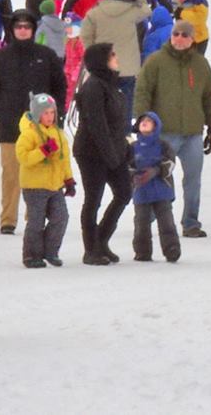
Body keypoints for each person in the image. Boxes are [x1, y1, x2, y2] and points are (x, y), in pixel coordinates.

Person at [0, 10, 68, 235]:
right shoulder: (1, 57)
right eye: (18, 26)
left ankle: (34, 216)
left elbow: (60, 86)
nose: (23, 30)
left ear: (33, 29)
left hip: (41, 125)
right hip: (9, 123)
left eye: (27, 26)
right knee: (11, 173)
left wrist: (59, 115)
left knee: (38, 171)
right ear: (12, 29)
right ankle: (8, 219)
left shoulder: (46, 56)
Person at [134, 23, 211, 238]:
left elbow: (209, 97)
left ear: (192, 39)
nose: (179, 38)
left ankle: (190, 222)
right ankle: (151, 216)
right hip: (164, 133)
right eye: (175, 34)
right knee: (160, 177)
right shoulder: (156, 61)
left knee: (193, 178)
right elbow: (143, 91)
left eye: (184, 35)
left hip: (192, 132)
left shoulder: (200, 64)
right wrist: (143, 122)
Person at [72, 42, 132, 264]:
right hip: (90, 153)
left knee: (124, 192)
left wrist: (124, 149)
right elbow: (97, 125)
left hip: (113, 151)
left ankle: (101, 239)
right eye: (112, 55)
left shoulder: (110, 83)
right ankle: (91, 250)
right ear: (101, 60)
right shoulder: (93, 87)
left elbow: (117, 123)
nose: (116, 57)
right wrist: (112, 156)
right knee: (93, 199)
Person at [15, 93, 73, 268]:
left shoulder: (59, 134)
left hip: (55, 184)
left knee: (61, 217)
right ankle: (31, 254)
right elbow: (23, 157)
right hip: (34, 186)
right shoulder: (29, 134)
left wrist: (68, 179)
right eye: (45, 113)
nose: (49, 117)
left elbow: (64, 159)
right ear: (36, 114)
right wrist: (43, 151)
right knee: (36, 221)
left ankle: (50, 250)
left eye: (52, 113)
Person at [80, 0, 151, 112]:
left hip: (103, 67)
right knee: (125, 108)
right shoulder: (132, 11)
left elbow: (85, 37)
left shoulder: (95, 13)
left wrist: (94, 56)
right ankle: (123, 132)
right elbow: (146, 10)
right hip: (128, 68)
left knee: (103, 108)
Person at [126, 111, 180, 262]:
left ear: (156, 126)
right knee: (141, 223)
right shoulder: (132, 147)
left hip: (162, 190)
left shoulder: (163, 145)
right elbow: (126, 166)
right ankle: (142, 251)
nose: (144, 123)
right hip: (141, 190)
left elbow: (170, 164)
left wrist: (156, 170)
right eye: (142, 121)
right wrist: (133, 175)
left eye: (149, 121)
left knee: (166, 222)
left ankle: (172, 248)